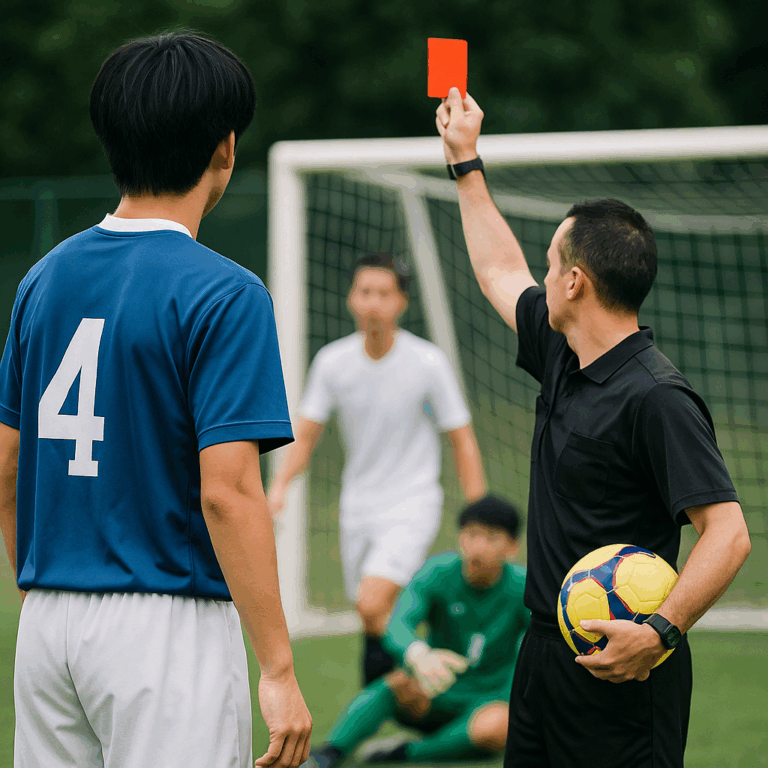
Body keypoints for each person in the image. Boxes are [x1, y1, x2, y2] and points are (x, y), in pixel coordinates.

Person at [0, 32, 311, 768]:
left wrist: (42, 595)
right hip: (166, 628)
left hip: (46, 620)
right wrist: (278, 668)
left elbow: (5, 464)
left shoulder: (42, 279)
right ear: (225, 148)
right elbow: (229, 493)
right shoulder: (225, 292)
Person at [434, 87, 752, 768]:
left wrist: (660, 633)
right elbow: (497, 269)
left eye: (550, 265)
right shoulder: (563, 354)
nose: (540, 276)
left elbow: (728, 534)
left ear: (575, 282)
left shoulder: (657, 397)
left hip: (624, 670)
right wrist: (465, 161)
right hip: (543, 654)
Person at [268, 251, 486, 686]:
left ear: (401, 302)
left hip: (413, 501)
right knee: (373, 617)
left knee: (371, 602)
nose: (373, 302)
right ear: (351, 298)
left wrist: (479, 517)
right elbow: (307, 434)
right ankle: (393, 700)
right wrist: (278, 487)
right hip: (357, 507)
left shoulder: (427, 363)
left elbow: (461, 439)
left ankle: (424, 665)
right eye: (365, 291)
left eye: (384, 294)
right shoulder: (333, 362)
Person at [304, 495, 529, 767]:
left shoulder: (523, 587)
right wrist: (418, 654)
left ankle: (404, 752)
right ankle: (329, 753)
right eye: (472, 534)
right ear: (460, 538)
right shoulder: (438, 572)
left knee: (497, 727)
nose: (478, 546)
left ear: (513, 547)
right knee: (396, 684)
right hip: (436, 688)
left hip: (488, 699)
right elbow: (399, 623)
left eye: (492, 537)